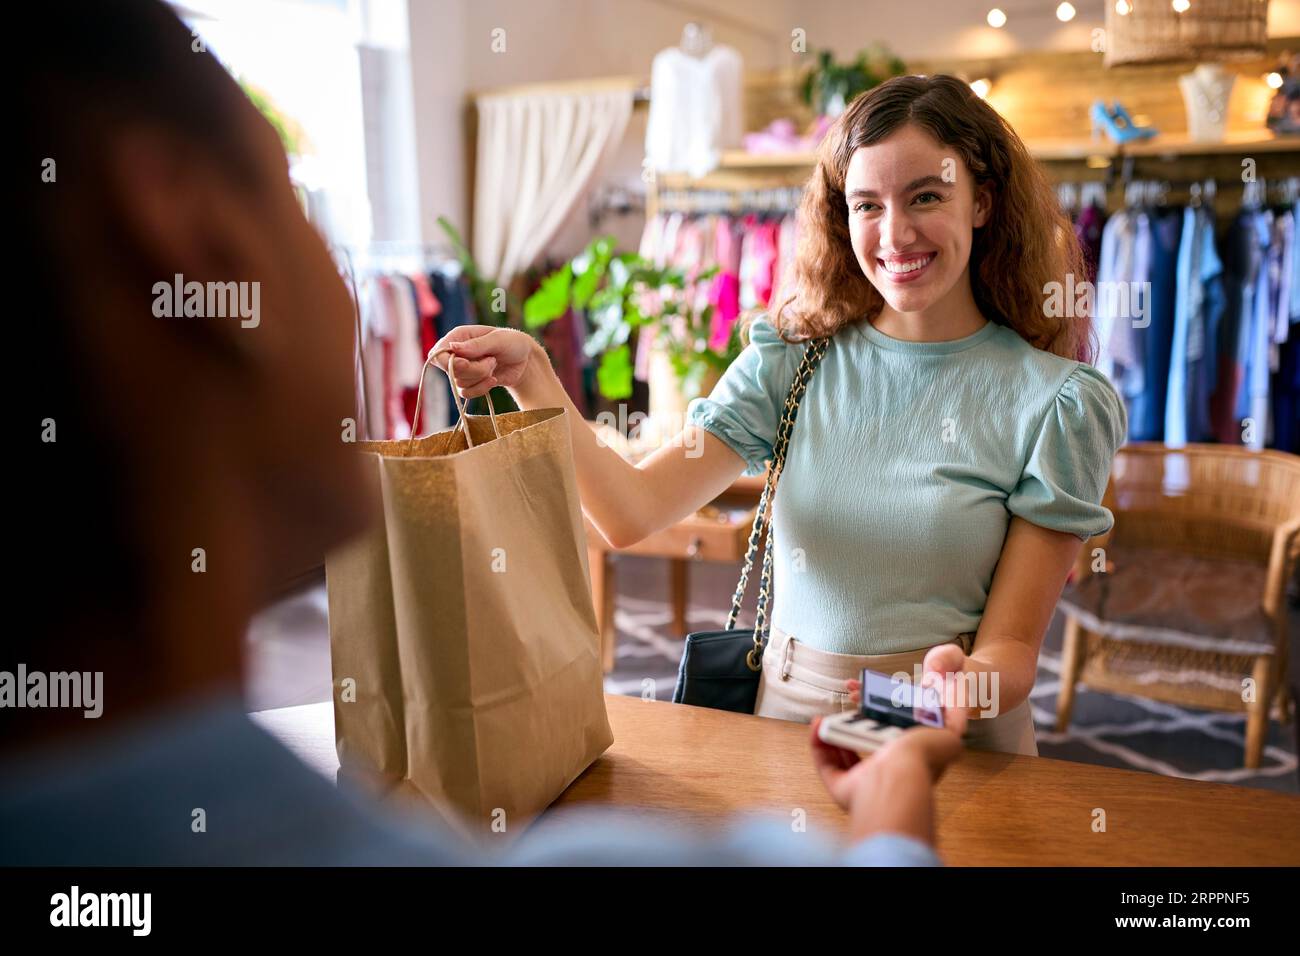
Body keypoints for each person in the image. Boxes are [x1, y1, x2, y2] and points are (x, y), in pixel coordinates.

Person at [4, 0, 960, 866]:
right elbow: (631, 512)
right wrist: (895, 821)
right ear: (201, 240)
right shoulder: (604, 861)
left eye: (925, 195)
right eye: (293, 201)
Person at [435, 75, 1128, 757]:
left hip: (955, 749)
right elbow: (629, 511)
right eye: (867, 205)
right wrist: (533, 376)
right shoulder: (788, 360)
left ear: (982, 202)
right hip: (786, 727)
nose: (896, 234)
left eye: (926, 197)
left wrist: (959, 688)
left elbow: (1011, 649)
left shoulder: (1057, 403)